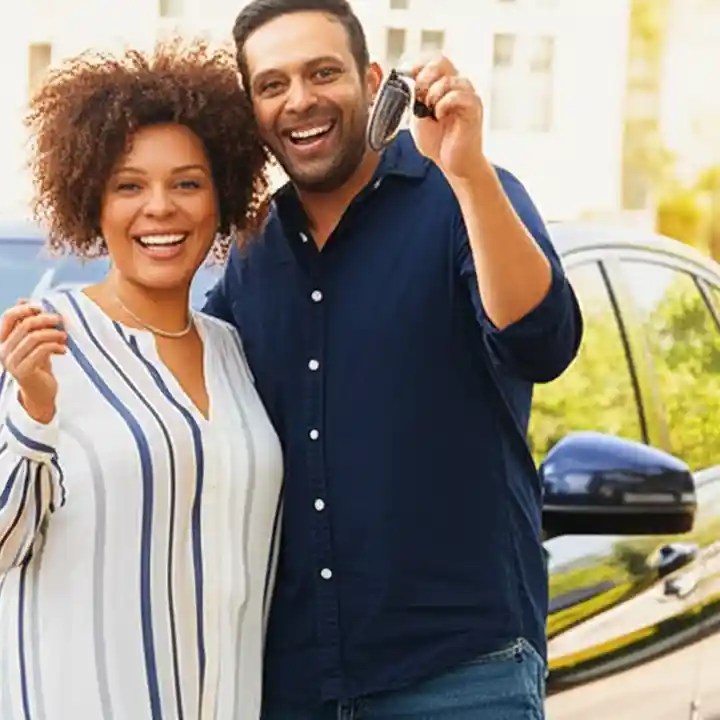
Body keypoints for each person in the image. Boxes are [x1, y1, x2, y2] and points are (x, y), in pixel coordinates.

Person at [202, 1, 584, 718]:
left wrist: (467, 172)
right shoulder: (250, 258)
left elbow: (543, 341)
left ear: (373, 79)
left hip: (459, 676)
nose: (301, 100)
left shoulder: (463, 196)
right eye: (273, 84)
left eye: (323, 73)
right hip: (293, 685)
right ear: (252, 109)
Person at [0, 39, 283, 719]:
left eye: (187, 183)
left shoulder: (232, 352)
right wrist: (34, 414)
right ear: (92, 204)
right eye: (128, 186)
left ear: (222, 197)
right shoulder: (39, 344)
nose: (160, 207)